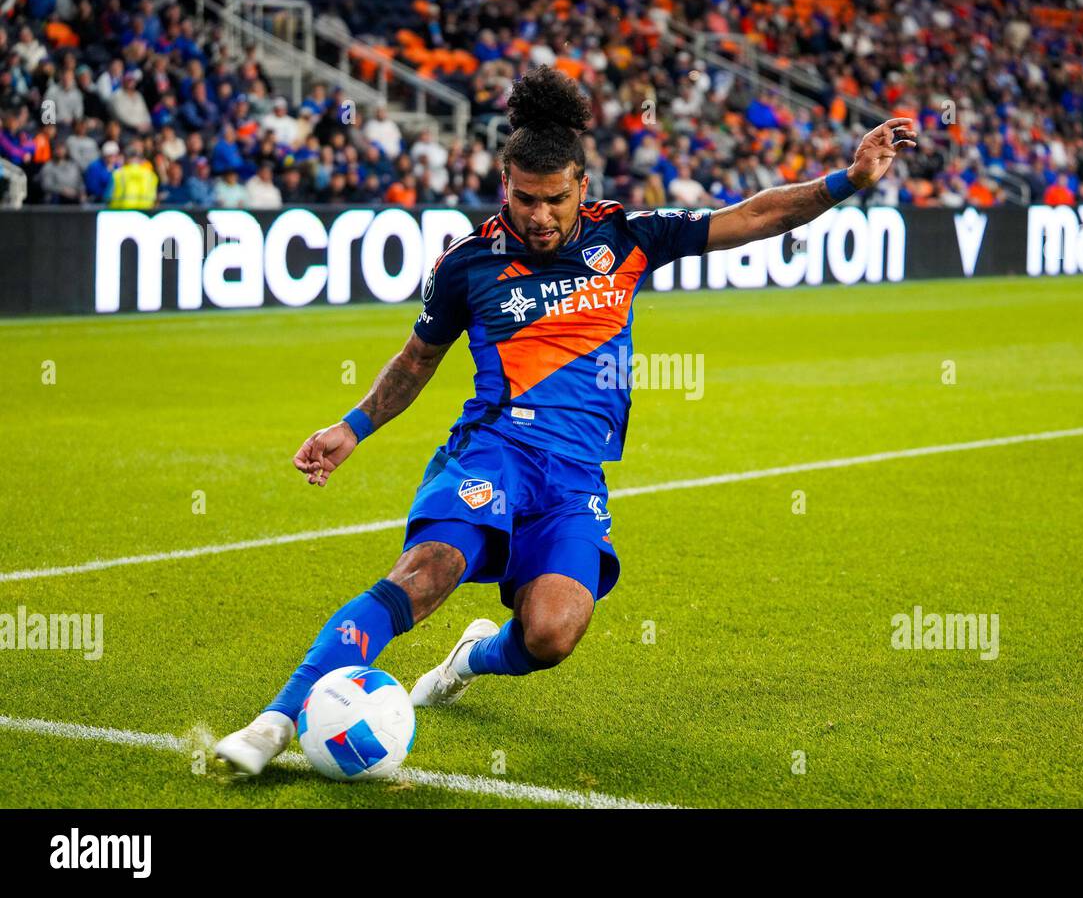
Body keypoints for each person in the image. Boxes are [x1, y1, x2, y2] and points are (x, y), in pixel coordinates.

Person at [213, 67, 916, 775]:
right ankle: (274, 722)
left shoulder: (629, 236)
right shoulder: (469, 263)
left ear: (582, 185)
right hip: (494, 452)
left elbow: (754, 217)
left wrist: (849, 178)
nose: (540, 216)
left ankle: (469, 660)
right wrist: (352, 427)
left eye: (554, 199)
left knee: (551, 635)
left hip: (575, 474)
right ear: (505, 187)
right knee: (426, 575)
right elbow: (416, 361)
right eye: (525, 199)